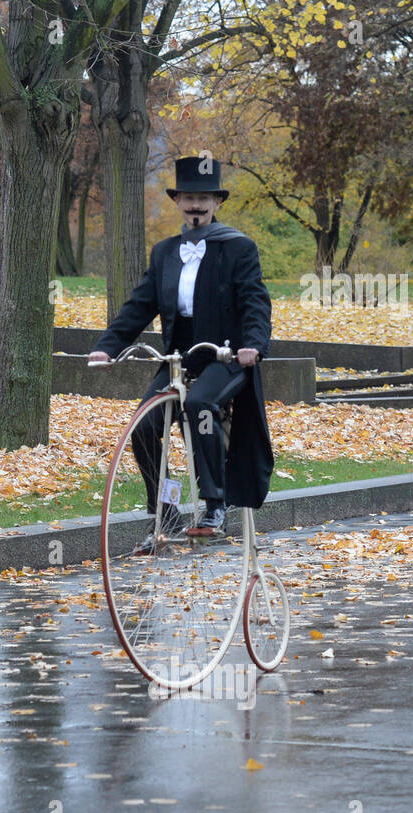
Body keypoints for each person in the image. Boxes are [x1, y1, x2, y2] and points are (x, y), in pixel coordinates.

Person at [88, 155, 273, 553]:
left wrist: (253, 346)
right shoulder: (164, 252)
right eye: (188, 196)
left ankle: (214, 505)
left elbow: (256, 302)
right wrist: (107, 349)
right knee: (143, 426)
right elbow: (140, 306)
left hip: (224, 354)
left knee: (201, 405)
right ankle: (166, 509)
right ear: (177, 202)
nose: (195, 204)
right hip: (181, 356)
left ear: (217, 202)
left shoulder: (238, 247)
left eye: (203, 197)